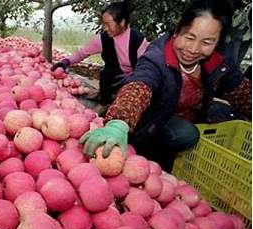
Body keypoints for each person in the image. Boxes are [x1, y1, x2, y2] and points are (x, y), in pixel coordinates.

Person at [80, 0, 252, 172]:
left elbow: (242, 92)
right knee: (186, 134)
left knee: (222, 114)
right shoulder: (157, 58)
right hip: (150, 124)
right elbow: (139, 86)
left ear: (217, 43)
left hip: (190, 118)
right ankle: (153, 158)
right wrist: (119, 123)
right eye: (189, 37)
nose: (193, 49)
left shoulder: (219, 61)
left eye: (207, 42)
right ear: (177, 31)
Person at [51, 0, 150, 111]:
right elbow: (82, 53)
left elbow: (146, 68)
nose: (105, 28)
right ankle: (104, 103)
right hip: (112, 81)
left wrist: (133, 77)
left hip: (135, 82)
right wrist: (65, 62)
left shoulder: (138, 40)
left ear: (122, 22)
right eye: (103, 24)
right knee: (106, 74)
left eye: (108, 24)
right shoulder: (102, 39)